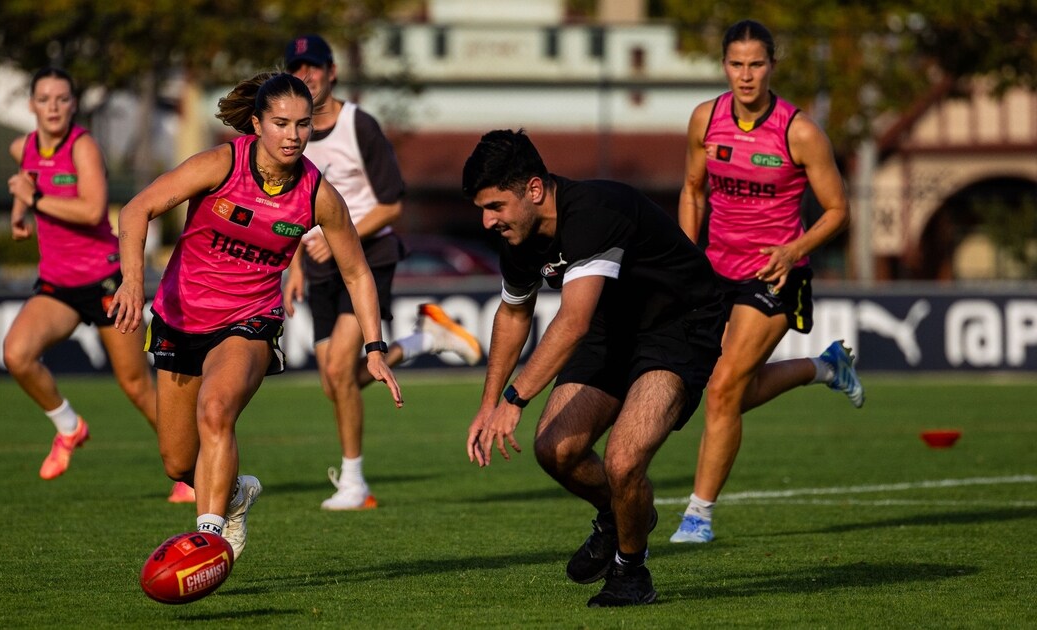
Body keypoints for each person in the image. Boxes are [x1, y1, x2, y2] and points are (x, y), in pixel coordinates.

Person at [109, 72, 403, 559]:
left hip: (250, 321)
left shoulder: (317, 195)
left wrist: (374, 347)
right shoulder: (220, 164)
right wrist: (134, 281)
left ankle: (208, 537)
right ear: (257, 123)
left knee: (216, 408)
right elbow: (136, 210)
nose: (293, 135)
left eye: (303, 125)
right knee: (179, 462)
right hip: (179, 319)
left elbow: (357, 273)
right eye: (281, 123)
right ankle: (236, 491)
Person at [462, 129, 725, 607]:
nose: (487, 221)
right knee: (554, 450)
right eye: (482, 208)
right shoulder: (518, 237)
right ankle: (618, 514)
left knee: (624, 461)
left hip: (678, 324)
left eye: (496, 206)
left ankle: (631, 572)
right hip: (612, 326)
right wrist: (487, 405)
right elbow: (514, 313)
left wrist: (515, 399)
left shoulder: (595, 212)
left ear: (534, 190)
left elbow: (574, 321)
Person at [670, 19, 864, 545]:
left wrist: (794, 249)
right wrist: (686, 262)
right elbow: (692, 191)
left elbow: (838, 210)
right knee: (730, 389)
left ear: (772, 65)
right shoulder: (704, 120)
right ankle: (825, 367)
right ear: (724, 66)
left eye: (756, 64)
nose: (746, 75)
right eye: (737, 64)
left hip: (777, 274)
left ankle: (698, 516)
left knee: (722, 390)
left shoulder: (798, 130)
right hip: (714, 272)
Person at [283, 34, 482, 511]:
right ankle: (422, 341)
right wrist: (293, 267)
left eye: (313, 67)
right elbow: (288, 206)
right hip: (317, 268)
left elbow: (392, 204)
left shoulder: (359, 125)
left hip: (368, 259)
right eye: (297, 68)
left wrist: (338, 237)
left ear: (331, 72)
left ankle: (354, 482)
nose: (306, 75)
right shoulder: (292, 132)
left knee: (337, 371)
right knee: (337, 381)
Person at [3, 67, 194, 504]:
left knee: (136, 386)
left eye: (62, 99)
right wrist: (19, 212)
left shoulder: (83, 147)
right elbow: (26, 178)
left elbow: (92, 212)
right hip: (58, 283)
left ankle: (189, 472)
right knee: (17, 354)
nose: (53, 106)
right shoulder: (23, 146)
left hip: (107, 279)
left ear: (73, 105)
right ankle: (69, 426)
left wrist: (31, 201)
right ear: (31, 105)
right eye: (45, 99)